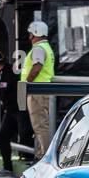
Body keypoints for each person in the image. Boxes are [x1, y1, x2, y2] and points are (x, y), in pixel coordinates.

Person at [23, 19, 55, 156]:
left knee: (40, 126)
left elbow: (37, 68)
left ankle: (46, 157)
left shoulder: (38, 48)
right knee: (42, 124)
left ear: (36, 33)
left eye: (31, 33)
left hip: (37, 90)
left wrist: (27, 83)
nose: (29, 36)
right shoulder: (46, 47)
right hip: (43, 89)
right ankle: (42, 153)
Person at [0, 49, 20, 177]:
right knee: (3, 136)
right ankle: (7, 167)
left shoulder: (10, 72)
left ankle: (31, 159)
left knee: (27, 133)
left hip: (19, 109)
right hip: (10, 110)